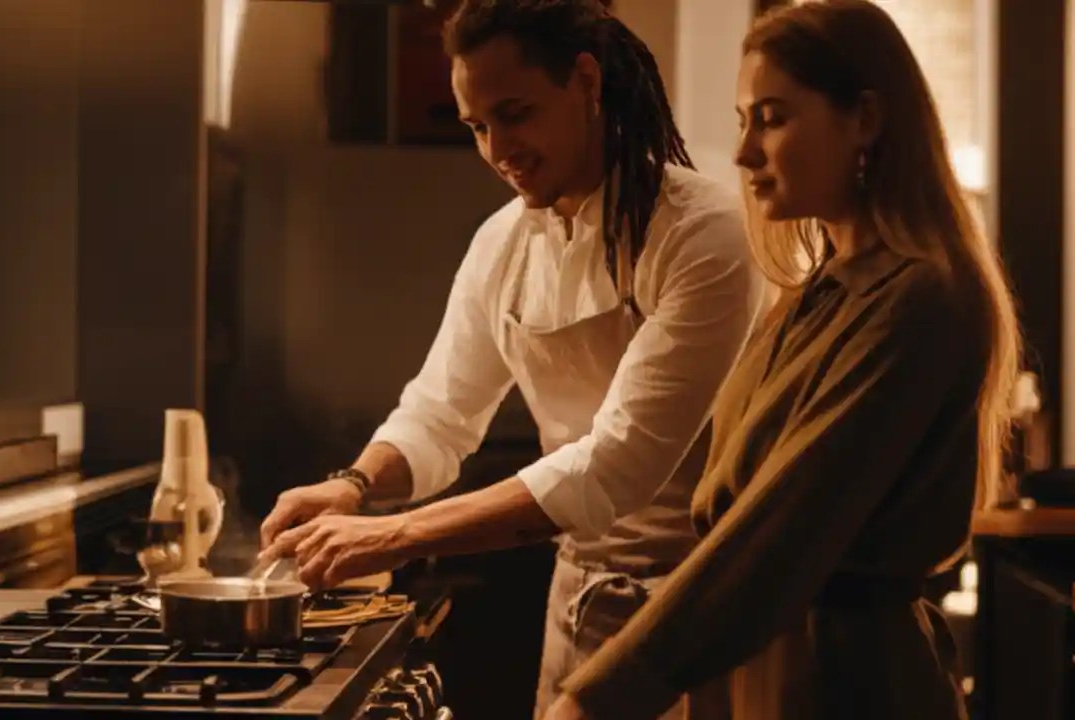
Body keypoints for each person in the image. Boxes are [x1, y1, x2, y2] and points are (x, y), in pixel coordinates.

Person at [257, 1, 762, 717]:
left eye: (515, 113)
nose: (498, 149)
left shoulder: (703, 234)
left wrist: (392, 536)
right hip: (579, 594)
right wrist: (353, 485)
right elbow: (439, 414)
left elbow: (618, 465)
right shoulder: (503, 243)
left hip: (700, 608)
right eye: (477, 127)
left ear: (586, 81)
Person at [543, 1, 1022, 718]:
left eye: (772, 118)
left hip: (846, 687)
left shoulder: (923, 298)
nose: (743, 153)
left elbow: (781, 532)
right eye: (744, 121)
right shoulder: (810, 297)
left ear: (864, 117)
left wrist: (602, 694)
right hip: (758, 674)